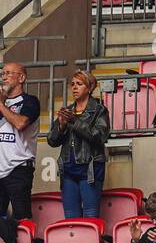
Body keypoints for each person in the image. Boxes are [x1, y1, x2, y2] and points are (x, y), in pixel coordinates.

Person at [48, 70, 110, 219]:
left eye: (79, 84)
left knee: (90, 216)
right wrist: (61, 126)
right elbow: (52, 140)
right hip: (68, 168)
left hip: (90, 169)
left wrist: (74, 122)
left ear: (89, 87)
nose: (74, 87)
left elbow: (99, 136)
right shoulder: (68, 111)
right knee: (70, 217)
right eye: (73, 84)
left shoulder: (99, 110)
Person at [0, 62, 39, 221]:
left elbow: (20, 123)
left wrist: (0, 104)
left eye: (9, 73)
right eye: (2, 74)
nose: (4, 77)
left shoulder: (30, 101)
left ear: (21, 78)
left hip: (19, 169)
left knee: (22, 219)